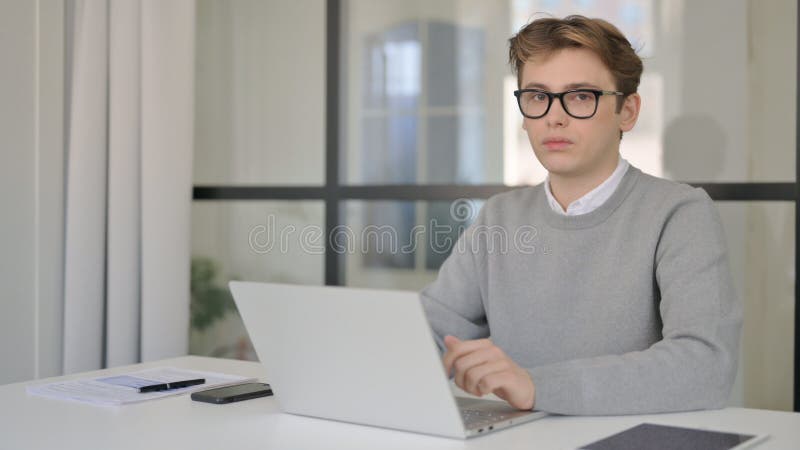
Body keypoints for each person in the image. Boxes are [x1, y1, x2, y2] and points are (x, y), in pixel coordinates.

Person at [420, 15, 741, 416]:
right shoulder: (498, 220)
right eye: (538, 96)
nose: (554, 116)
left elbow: (705, 367)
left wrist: (537, 386)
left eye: (580, 96)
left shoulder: (679, 215)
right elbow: (427, 336)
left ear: (627, 111)